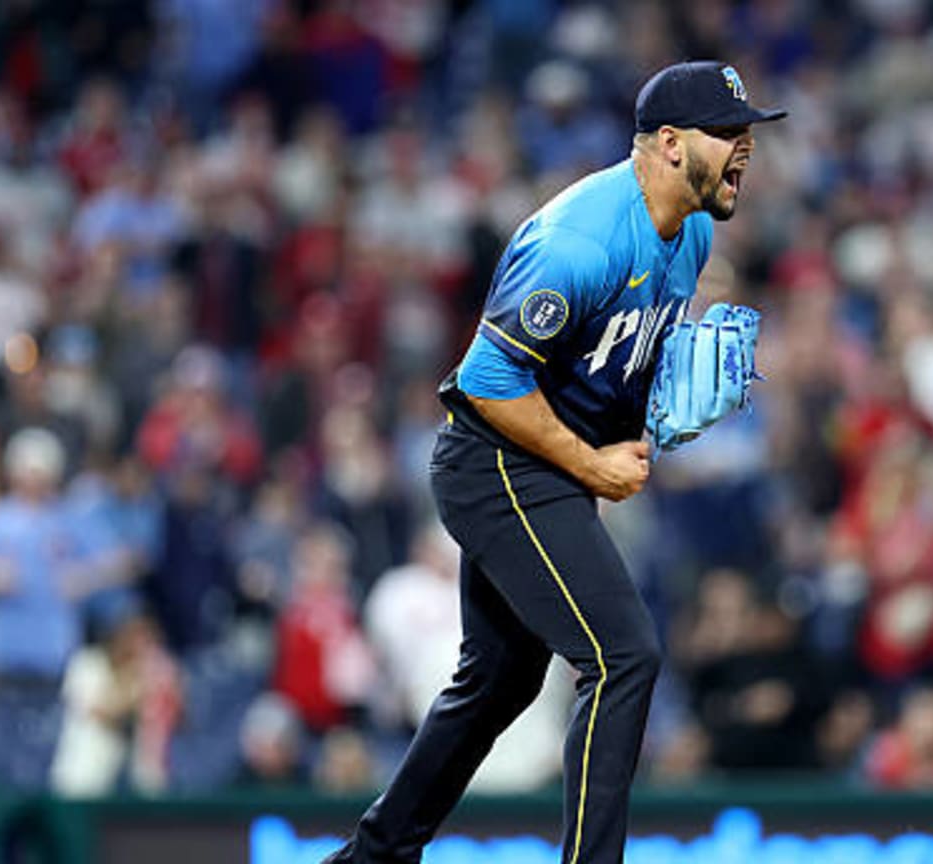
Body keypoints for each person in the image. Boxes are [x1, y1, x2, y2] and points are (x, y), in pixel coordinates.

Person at [323, 61, 785, 864]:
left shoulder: (696, 229)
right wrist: (595, 466)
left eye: (748, 133)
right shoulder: (580, 239)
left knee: (497, 682)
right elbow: (485, 382)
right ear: (670, 145)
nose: (746, 148)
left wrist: (661, 414)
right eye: (729, 134)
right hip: (495, 461)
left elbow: (615, 362)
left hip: (551, 466)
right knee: (623, 656)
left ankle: (371, 858)